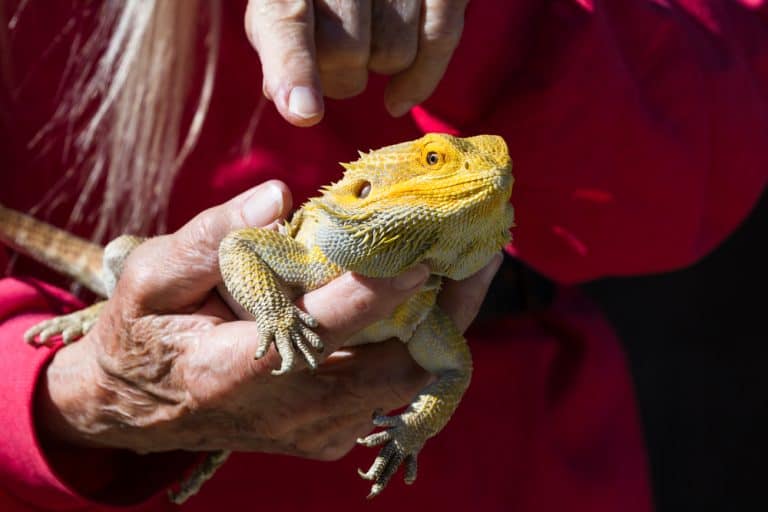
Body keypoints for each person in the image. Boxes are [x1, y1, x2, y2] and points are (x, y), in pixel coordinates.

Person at [0, 1, 765, 511]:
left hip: (517, 458)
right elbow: (243, 251)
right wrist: (47, 399)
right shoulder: (317, 246)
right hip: (90, 456)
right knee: (122, 264)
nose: (486, 170)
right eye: (439, 163)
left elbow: (701, 163)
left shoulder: (428, 319)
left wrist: (482, 21)